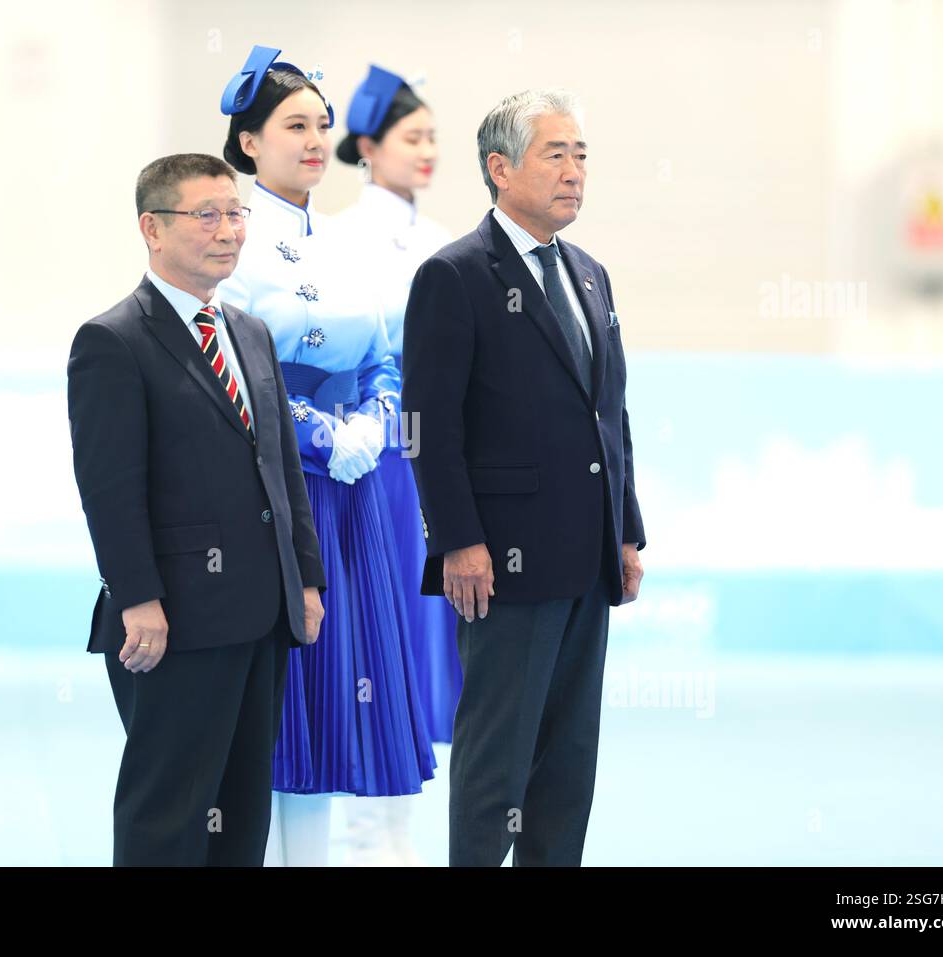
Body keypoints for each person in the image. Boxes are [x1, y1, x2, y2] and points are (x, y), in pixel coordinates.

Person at [403, 89, 647, 866]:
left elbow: (610, 414)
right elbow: (426, 428)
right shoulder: (455, 275)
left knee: (568, 765)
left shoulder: (589, 273)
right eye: (556, 154)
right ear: (499, 169)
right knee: (494, 767)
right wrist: (460, 542)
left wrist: (628, 531)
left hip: (586, 560)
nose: (575, 171)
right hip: (502, 566)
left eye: (581, 155)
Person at [66, 152, 326, 866]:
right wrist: (138, 597)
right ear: (152, 228)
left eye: (235, 213)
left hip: (261, 614)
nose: (228, 231)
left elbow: (282, 470)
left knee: (240, 815)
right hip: (173, 621)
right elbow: (110, 489)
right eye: (205, 215)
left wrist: (304, 577)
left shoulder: (249, 332)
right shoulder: (112, 341)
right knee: (168, 816)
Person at [216, 45, 436, 866]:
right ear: (249, 144)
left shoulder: (346, 242)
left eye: (321, 125)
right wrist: (318, 433)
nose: (314, 141)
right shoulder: (233, 244)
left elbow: (384, 353)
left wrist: (376, 426)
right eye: (293, 126)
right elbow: (241, 370)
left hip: (356, 488)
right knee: (290, 702)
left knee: (345, 696)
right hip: (282, 492)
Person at [327, 64, 458, 865]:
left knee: (424, 640)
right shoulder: (342, 238)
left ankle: (393, 827)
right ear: (369, 148)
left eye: (436, 137)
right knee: (377, 637)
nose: (429, 151)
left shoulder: (445, 242)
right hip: (376, 457)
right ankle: (363, 830)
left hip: (434, 459)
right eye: (414, 137)